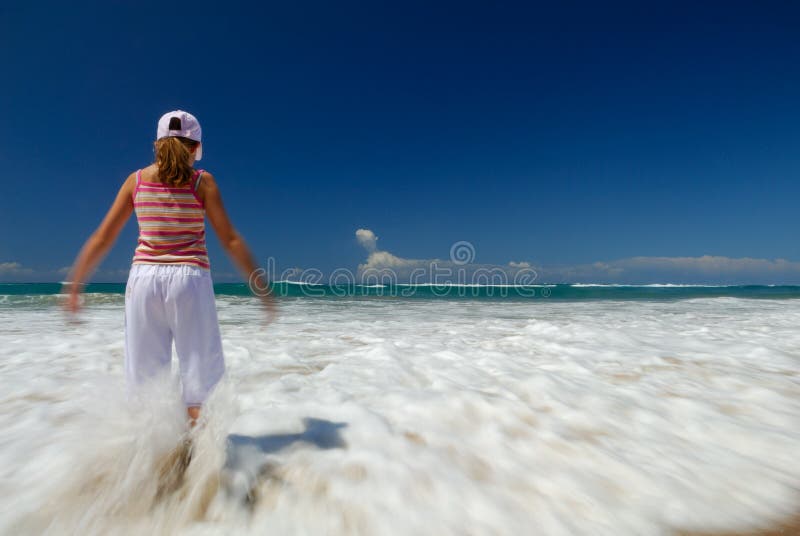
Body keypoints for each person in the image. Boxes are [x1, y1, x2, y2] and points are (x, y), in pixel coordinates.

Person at [64, 110, 274, 424]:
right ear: (195, 148)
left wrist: (74, 287)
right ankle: (198, 463)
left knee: (145, 387)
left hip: (143, 281)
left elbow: (102, 237)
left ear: (157, 144)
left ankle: (154, 462)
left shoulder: (135, 181)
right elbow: (230, 239)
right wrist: (262, 290)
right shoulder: (203, 182)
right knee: (201, 386)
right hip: (190, 279)